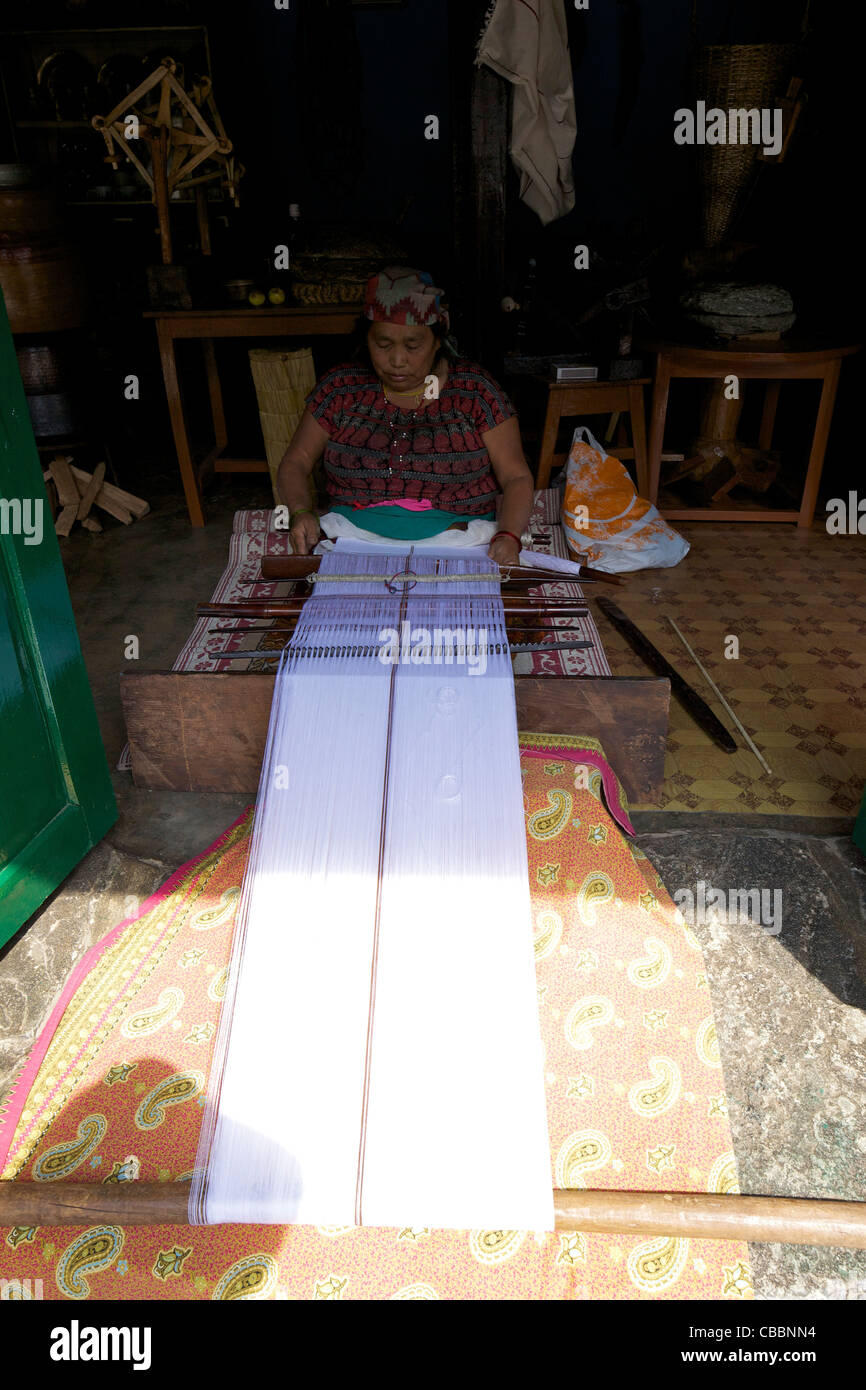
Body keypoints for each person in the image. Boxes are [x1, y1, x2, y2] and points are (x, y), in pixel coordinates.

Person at [276, 266, 534, 566]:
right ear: (366, 338)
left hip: (460, 544)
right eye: (382, 345)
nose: (397, 361)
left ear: (439, 340)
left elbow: (516, 476)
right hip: (351, 540)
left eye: (413, 346)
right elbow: (296, 461)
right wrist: (300, 512)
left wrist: (508, 536)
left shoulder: (475, 392)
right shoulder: (341, 388)